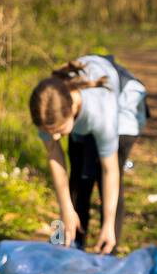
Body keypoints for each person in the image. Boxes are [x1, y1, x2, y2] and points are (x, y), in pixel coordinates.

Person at [29, 55, 148, 255]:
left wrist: (108, 224)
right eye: (50, 133)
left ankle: (108, 247)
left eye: (59, 131)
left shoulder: (99, 112)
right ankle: (69, 247)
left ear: (72, 110)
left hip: (125, 106)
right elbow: (55, 156)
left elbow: (110, 171)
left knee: (106, 179)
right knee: (80, 177)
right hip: (84, 111)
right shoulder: (47, 108)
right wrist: (65, 208)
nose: (55, 137)